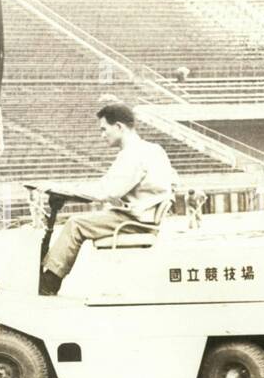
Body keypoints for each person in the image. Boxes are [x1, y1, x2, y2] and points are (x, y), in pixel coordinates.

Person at [37, 97, 175, 296]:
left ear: (118, 126)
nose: (102, 135)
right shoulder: (154, 150)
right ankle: (50, 279)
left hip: (134, 220)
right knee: (87, 218)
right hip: (147, 216)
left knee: (75, 224)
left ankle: (49, 283)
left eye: (104, 129)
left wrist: (63, 189)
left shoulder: (132, 154)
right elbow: (173, 181)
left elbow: (107, 191)